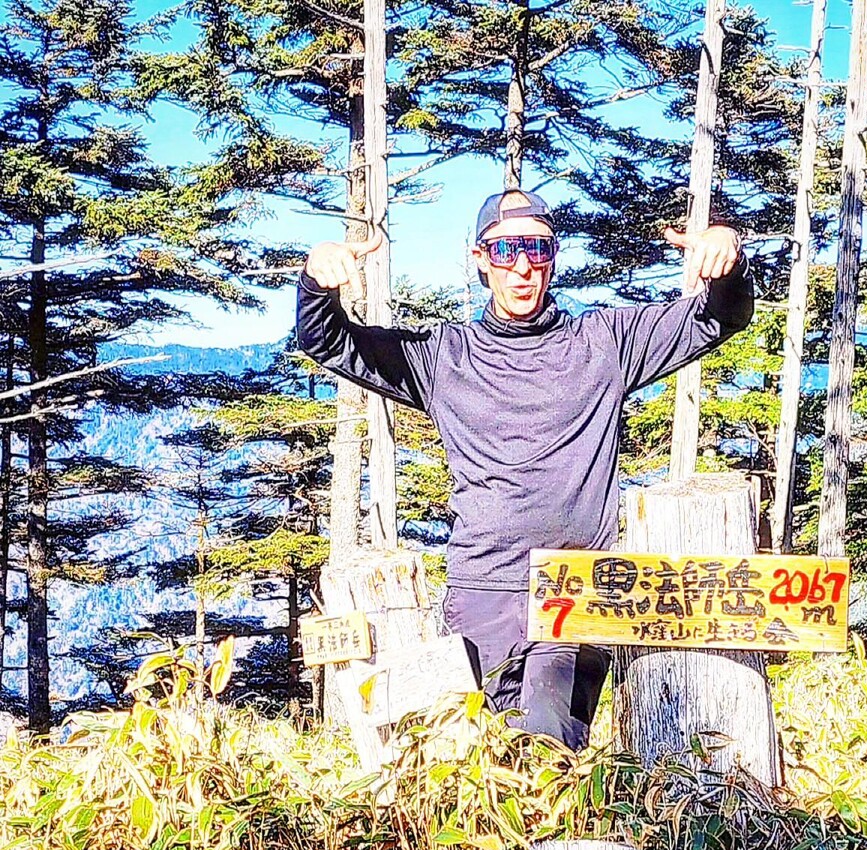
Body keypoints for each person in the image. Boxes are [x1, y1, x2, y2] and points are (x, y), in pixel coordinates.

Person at [298, 188, 754, 751]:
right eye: (505, 248)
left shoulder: (603, 343)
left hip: (577, 587)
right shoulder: (444, 356)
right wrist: (318, 281)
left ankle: (573, 839)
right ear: (481, 258)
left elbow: (717, 318)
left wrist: (727, 260)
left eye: (536, 249)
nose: (522, 266)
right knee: (481, 761)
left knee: (549, 738)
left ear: (553, 257)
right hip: (481, 592)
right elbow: (327, 340)